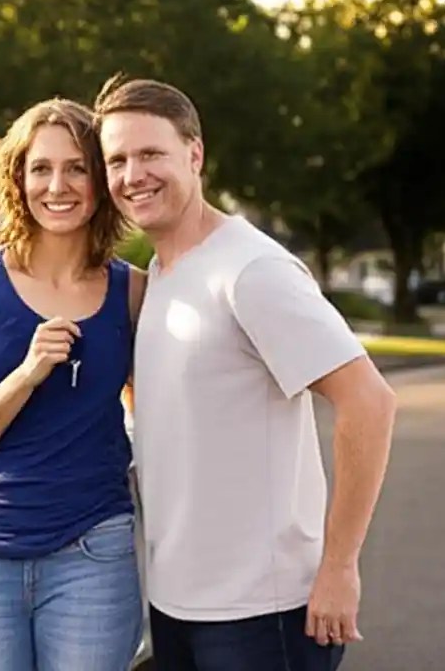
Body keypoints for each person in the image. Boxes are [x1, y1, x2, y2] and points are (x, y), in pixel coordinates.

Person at [93, 74, 397, 671]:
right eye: (117, 160)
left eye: (152, 153)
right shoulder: (162, 274)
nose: (134, 175)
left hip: (264, 611)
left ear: (195, 154)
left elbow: (369, 402)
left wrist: (339, 567)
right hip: (179, 603)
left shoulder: (251, 270)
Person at [0, 97, 147, 671]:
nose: (59, 185)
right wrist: (26, 375)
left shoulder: (133, 293)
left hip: (92, 553)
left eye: (77, 167)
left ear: (100, 180)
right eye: (41, 168)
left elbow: (157, 418)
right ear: (17, 179)